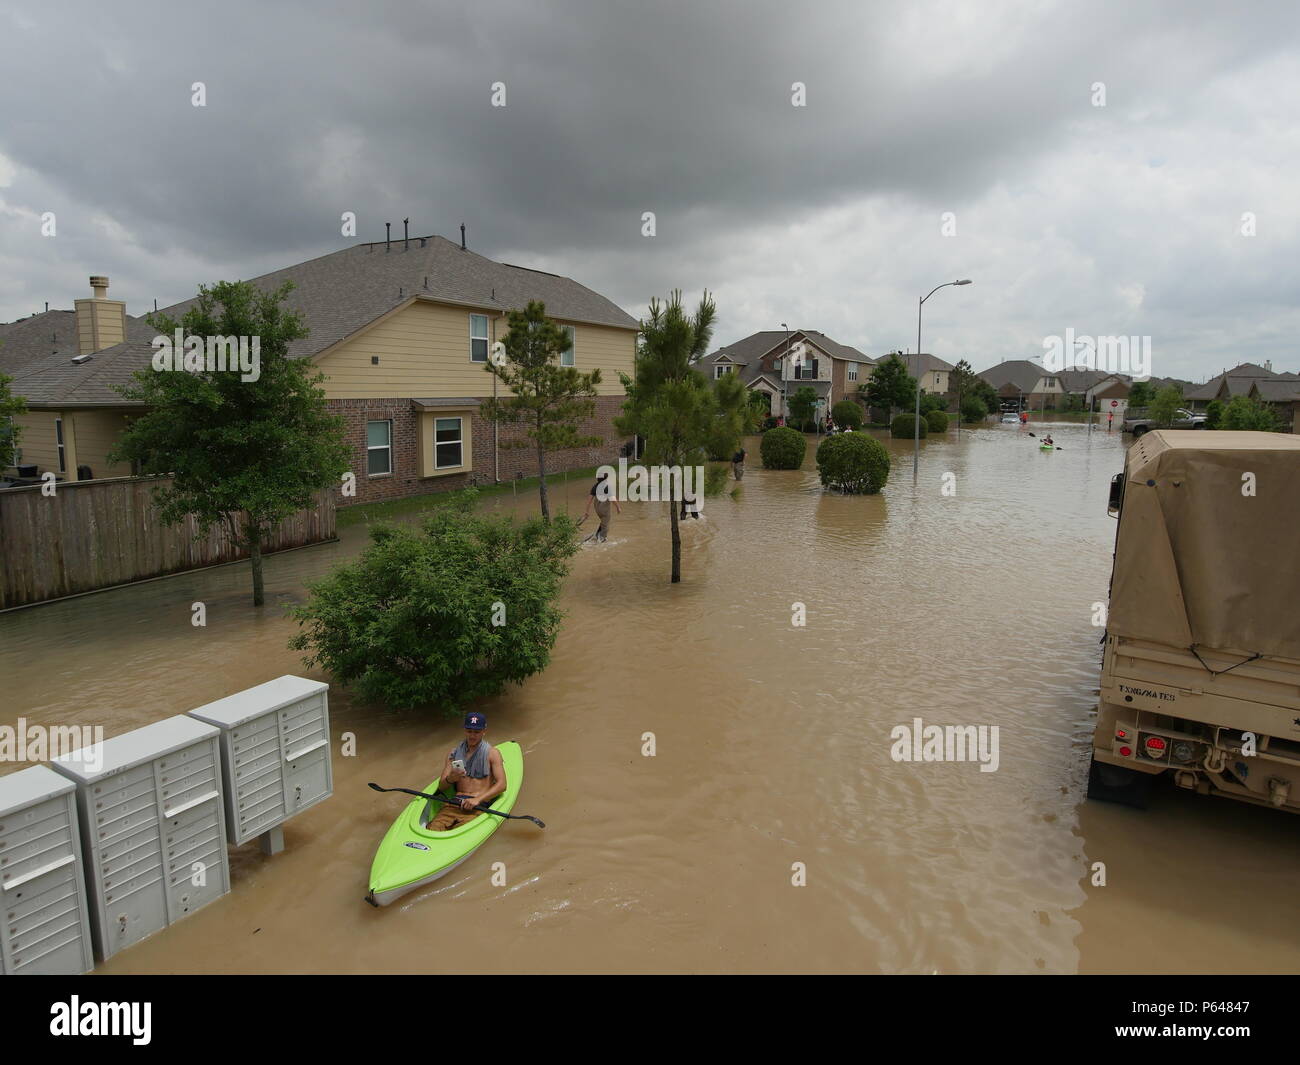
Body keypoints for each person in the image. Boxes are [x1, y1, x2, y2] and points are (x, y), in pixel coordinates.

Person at [426, 711, 506, 831]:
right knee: (433, 828)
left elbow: (502, 785)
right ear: (464, 730)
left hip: (478, 806)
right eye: (469, 731)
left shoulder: (492, 753)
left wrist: (477, 800)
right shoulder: (453, 754)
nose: (472, 736)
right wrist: (451, 778)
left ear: (484, 731)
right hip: (453, 804)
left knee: (458, 832)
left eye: (476, 732)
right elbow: (442, 787)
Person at [579, 469, 621, 542]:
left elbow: (589, 499)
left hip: (597, 508)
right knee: (606, 525)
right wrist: (618, 508)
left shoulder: (595, 486)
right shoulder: (607, 487)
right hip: (604, 509)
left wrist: (587, 511)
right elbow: (612, 499)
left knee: (603, 522)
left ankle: (596, 535)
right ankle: (601, 539)